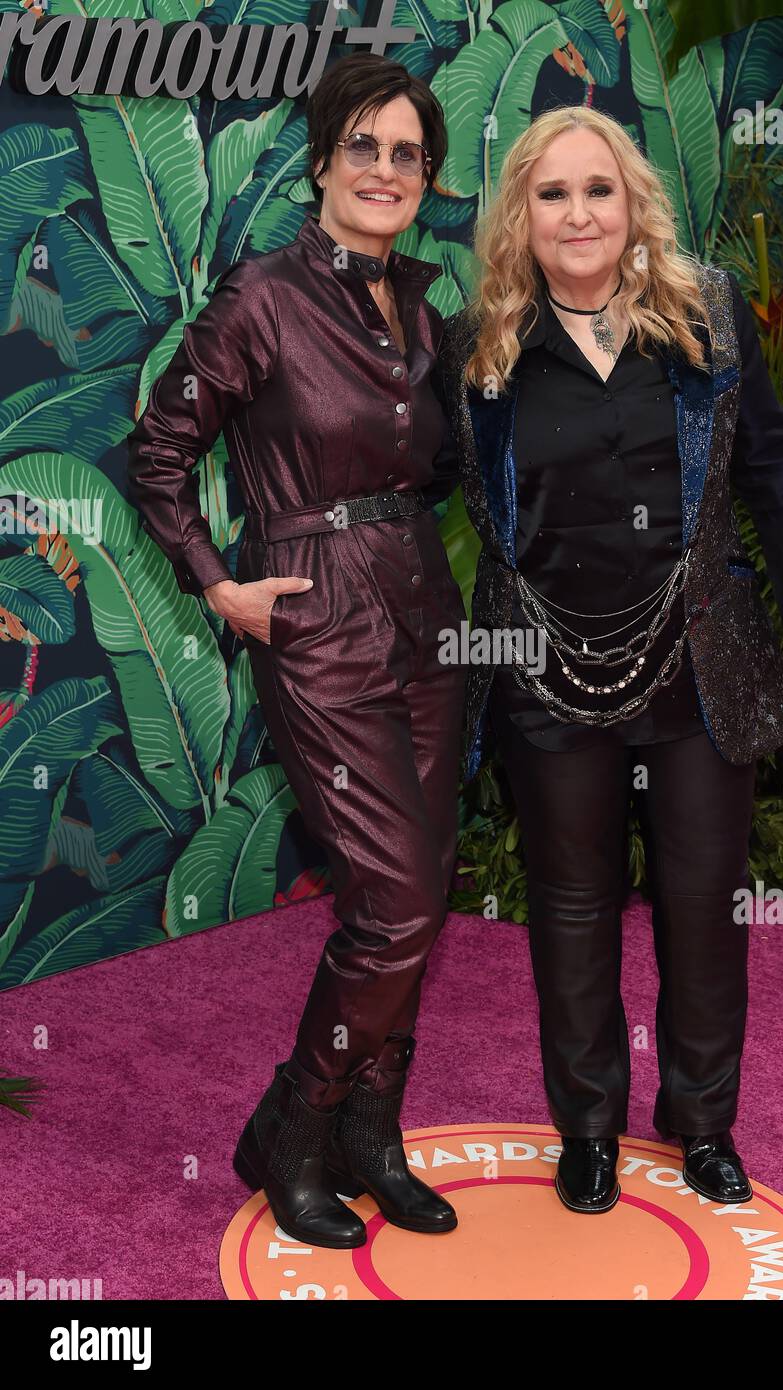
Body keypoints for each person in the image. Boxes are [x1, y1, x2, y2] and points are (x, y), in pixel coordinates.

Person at [432, 106, 783, 1213]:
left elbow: (774, 465)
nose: (579, 213)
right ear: (522, 213)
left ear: (633, 205)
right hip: (550, 677)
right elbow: (407, 476)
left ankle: (703, 1121)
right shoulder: (482, 348)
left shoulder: (707, 315)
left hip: (698, 661)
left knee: (702, 904)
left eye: (598, 190)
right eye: (554, 193)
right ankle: (590, 1130)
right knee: (571, 906)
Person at [126, 54, 467, 1247]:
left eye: (407, 154)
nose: (384, 170)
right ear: (321, 164)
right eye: (362, 148)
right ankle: (294, 1123)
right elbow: (158, 452)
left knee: (425, 895)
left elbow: (456, 464)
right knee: (396, 902)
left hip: (426, 614)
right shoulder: (261, 298)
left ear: (428, 180)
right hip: (314, 619)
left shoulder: (425, 306)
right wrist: (219, 585)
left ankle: (375, 1132)